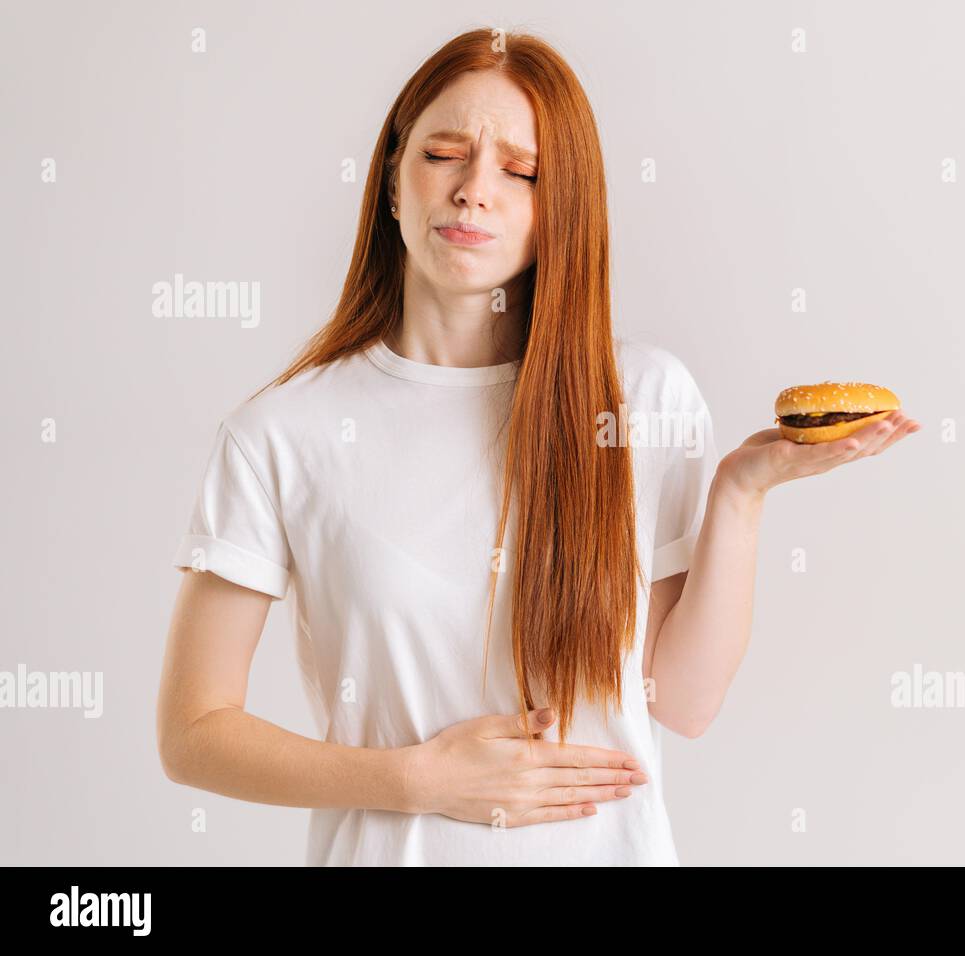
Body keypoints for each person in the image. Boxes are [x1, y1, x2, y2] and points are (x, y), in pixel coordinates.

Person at [155, 27, 920, 866]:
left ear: (562, 204)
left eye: (520, 172)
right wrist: (417, 782)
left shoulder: (642, 402)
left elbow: (687, 703)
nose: (474, 191)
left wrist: (740, 493)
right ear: (392, 182)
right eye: (445, 155)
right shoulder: (281, 434)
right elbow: (193, 733)